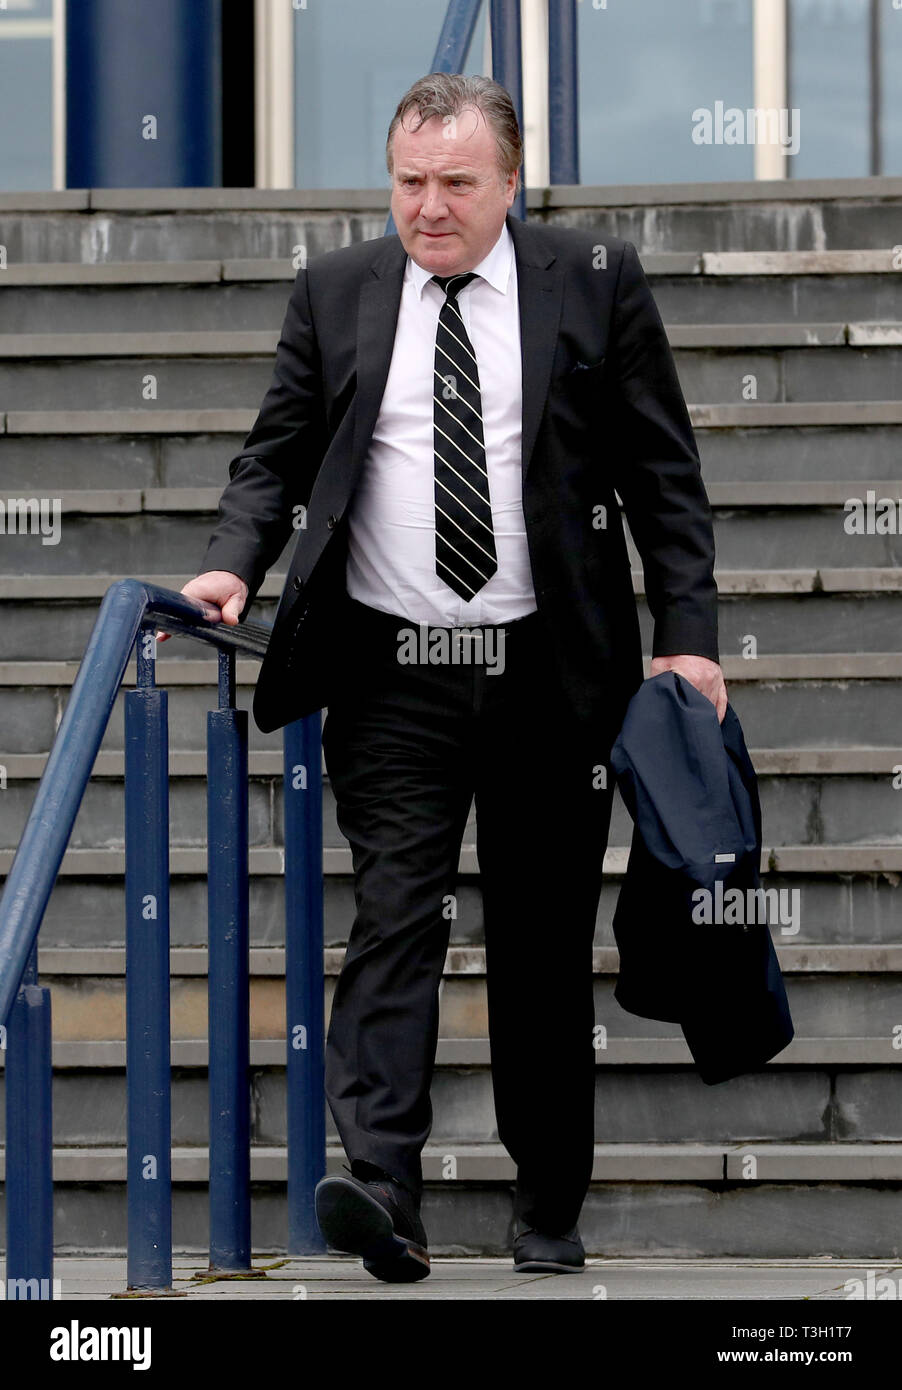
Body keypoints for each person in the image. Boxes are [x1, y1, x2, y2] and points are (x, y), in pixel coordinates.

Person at [172, 72, 727, 1282]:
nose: (425, 207)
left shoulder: (593, 280)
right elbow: (272, 454)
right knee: (393, 918)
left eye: (453, 184)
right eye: (407, 182)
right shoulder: (336, 291)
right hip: (392, 666)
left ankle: (546, 1200)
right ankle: (382, 1185)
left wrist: (687, 633)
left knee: (537, 939)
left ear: (509, 185)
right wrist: (229, 567)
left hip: (549, 669)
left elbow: (662, 475)